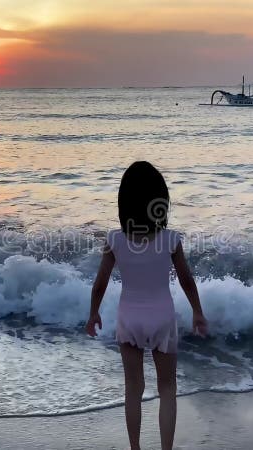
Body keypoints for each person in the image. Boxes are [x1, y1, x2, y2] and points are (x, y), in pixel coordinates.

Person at [86, 161, 208, 450]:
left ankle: (135, 448)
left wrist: (93, 314)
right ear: (161, 203)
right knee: (167, 389)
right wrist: (197, 311)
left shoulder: (115, 240)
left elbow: (100, 284)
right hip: (162, 318)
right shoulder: (170, 239)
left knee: (133, 389)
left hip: (129, 319)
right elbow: (186, 280)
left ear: (124, 203)